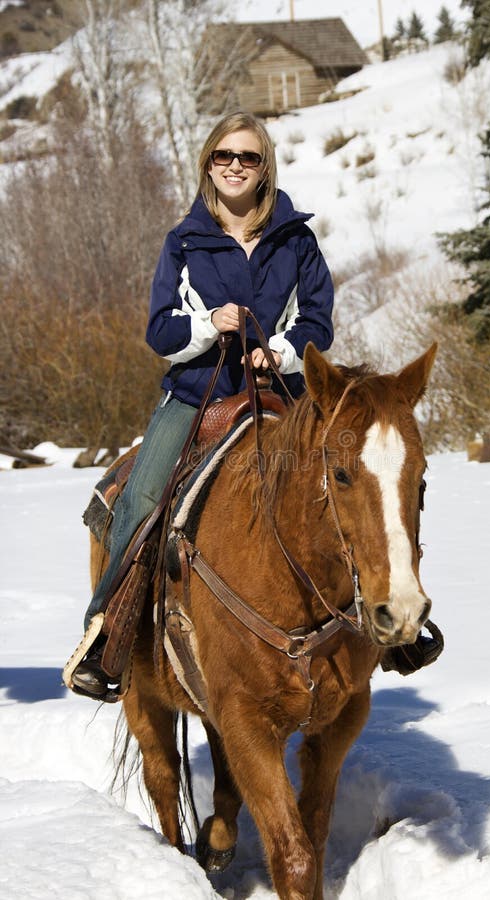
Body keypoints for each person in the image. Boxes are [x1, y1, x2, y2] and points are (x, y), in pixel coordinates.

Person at [69, 111, 335, 700]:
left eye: (248, 157)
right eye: (224, 157)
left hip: (280, 392)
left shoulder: (297, 240)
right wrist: (210, 324)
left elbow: (318, 321)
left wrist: (284, 352)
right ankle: (105, 637)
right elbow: (159, 330)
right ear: (208, 165)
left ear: (265, 167)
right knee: (141, 495)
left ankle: (390, 627)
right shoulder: (183, 241)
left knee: (355, 477)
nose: (235, 167)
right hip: (198, 394)